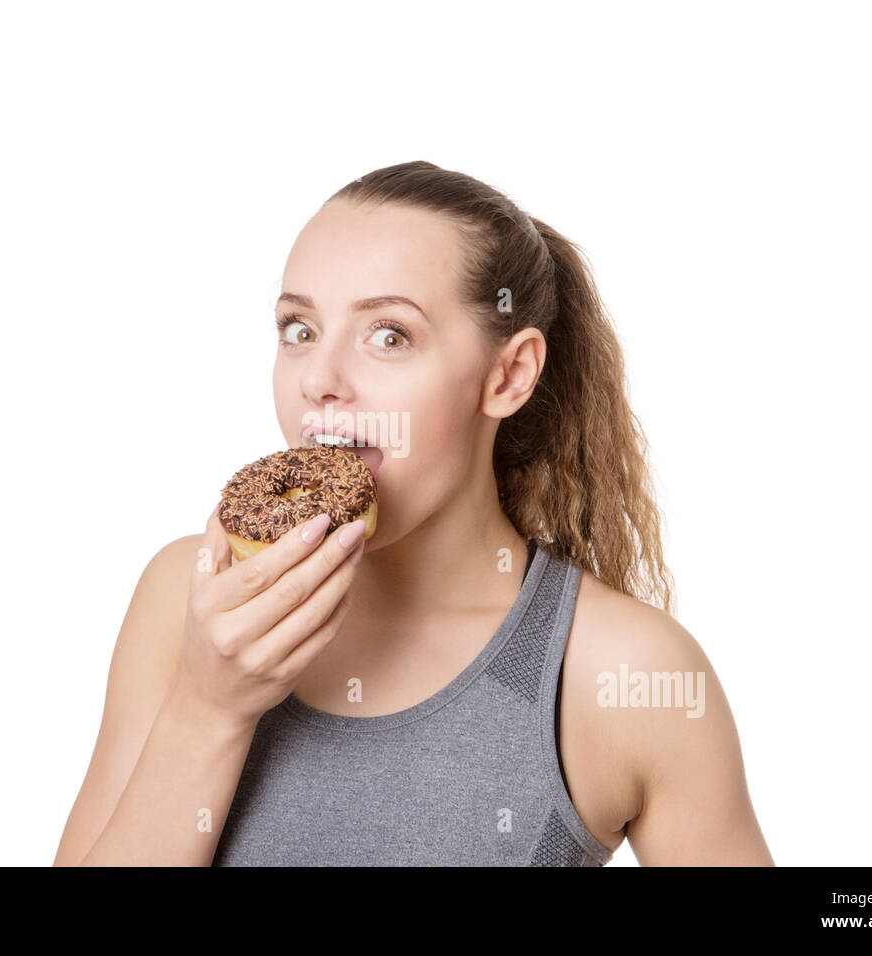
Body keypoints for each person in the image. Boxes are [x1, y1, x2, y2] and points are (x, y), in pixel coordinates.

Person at [53, 161, 774, 866]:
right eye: (299, 329)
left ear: (508, 374)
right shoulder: (194, 595)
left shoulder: (619, 672)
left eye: (388, 335)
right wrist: (208, 706)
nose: (320, 380)